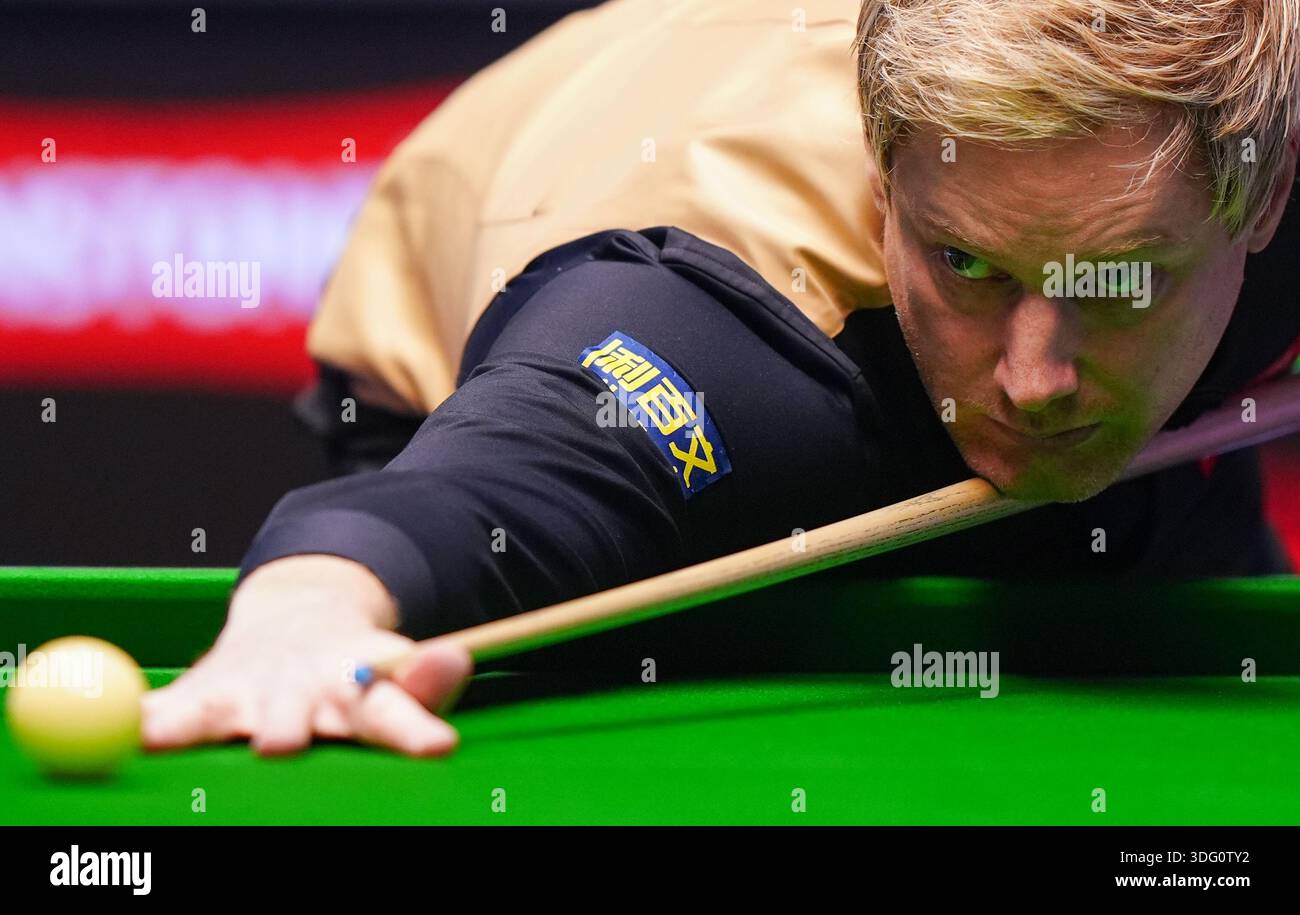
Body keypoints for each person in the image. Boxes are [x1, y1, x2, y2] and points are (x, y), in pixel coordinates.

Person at [143, 0, 1300, 757]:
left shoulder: (1245, 143)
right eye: (966, 264)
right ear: (884, 184)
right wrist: (312, 607)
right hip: (503, 240)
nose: (1038, 378)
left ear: (1267, 200)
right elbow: (495, 483)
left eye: (1119, 279)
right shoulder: (715, 321)